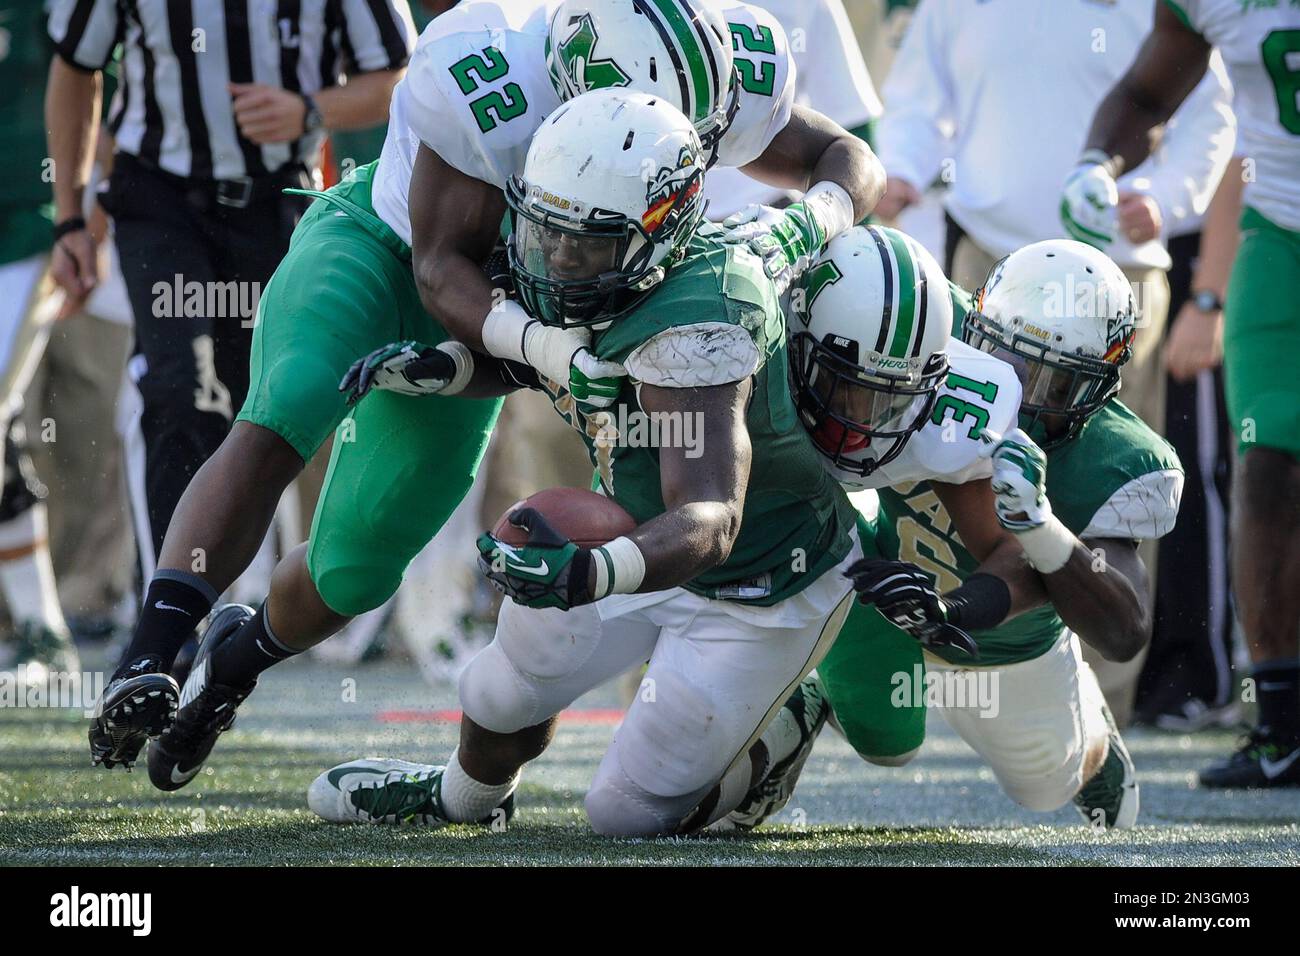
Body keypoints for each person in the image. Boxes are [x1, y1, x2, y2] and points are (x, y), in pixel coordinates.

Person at [89, 0, 885, 774]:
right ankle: (153, 650)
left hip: (532, 301)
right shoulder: (488, 70)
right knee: (292, 401)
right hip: (391, 251)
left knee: (354, 572)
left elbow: (848, 156)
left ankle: (237, 659)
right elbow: (438, 269)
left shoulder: (718, 64)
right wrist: (547, 350)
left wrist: (812, 218)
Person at [735, 240, 1183, 831]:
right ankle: (809, 696)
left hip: (1004, 645)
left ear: (1096, 391)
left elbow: (1125, 632)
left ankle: (1090, 738)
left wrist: (1041, 529)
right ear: (972, 327)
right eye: (1004, 358)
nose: (1015, 394)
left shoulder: (1116, 460)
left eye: (1050, 386)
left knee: (1044, 786)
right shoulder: (925, 322)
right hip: (880, 579)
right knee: (885, 743)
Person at [874, 0, 1231, 723]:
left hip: (1116, 277)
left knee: (1108, 488)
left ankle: (1100, 705)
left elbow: (1211, 106)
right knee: (963, 464)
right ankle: (977, 682)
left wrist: (1164, 196)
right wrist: (904, 169)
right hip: (990, 270)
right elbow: (916, 94)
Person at [1063, 0, 1300, 788]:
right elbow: (1147, 94)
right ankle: (1282, 725)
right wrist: (1096, 159)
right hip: (1280, 233)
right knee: (1265, 464)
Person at [0, 0, 78, 681]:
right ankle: (42, 625)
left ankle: (43, 628)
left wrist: (86, 211)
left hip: (29, 224)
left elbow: (92, 78)